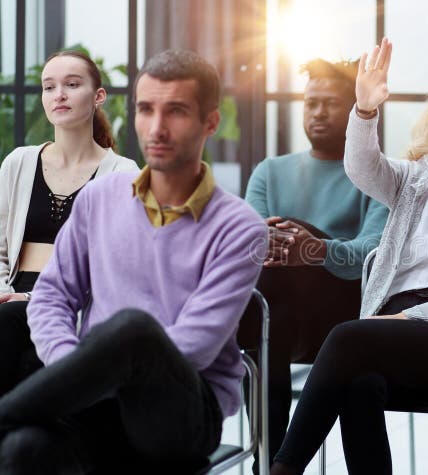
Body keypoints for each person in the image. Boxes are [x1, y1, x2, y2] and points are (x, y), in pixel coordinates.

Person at [270, 37, 428, 475]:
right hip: (390, 329)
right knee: (358, 385)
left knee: (347, 337)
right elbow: (361, 167)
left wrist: (413, 319)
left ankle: (282, 470)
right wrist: (365, 109)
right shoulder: (410, 180)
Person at [0, 50, 266, 473]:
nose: (156, 128)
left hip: (178, 415)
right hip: (95, 403)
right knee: (23, 447)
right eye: (145, 109)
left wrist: (83, 379)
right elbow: (51, 297)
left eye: (175, 111)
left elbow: (191, 349)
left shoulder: (241, 227)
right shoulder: (99, 198)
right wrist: (74, 372)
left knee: (135, 330)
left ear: (210, 123)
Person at [244, 57, 388, 467]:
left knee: (267, 315)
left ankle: (269, 463)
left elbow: (371, 258)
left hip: (342, 319)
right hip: (276, 319)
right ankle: (273, 461)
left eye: (329, 103)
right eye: (311, 103)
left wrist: (312, 247)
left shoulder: (375, 178)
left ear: (352, 111)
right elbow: (244, 246)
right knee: (270, 315)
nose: (318, 112)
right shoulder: (270, 172)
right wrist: (285, 245)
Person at [0, 50, 138, 396]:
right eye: (49, 87)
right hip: (8, 301)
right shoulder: (18, 162)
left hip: (74, 306)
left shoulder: (123, 174)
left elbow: (114, 267)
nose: (58, 94)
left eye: (72, 84)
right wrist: (7, 292)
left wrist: (31, 298)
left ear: (98, 96)